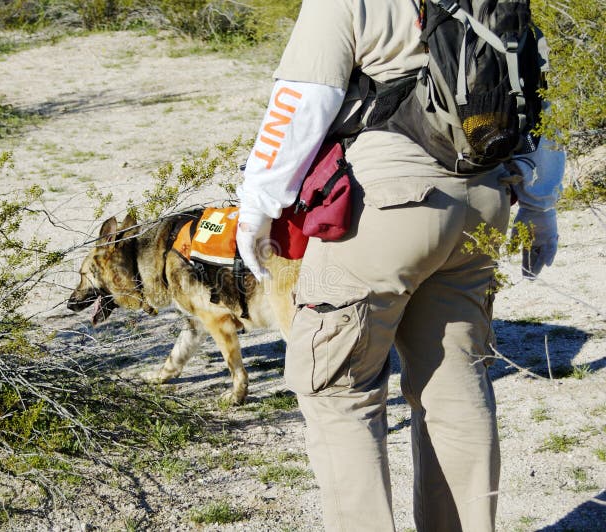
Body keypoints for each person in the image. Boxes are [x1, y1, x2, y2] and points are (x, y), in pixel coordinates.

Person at [235, 1, 564, 530]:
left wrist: (257, 205)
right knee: (456, 384)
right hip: (483, 199)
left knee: (338, 389)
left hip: (387, 202)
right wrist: (542, 205)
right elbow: (533, 90)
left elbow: (301, 101)